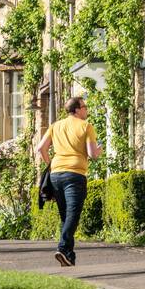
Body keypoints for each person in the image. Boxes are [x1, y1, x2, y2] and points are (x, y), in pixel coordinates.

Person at [37, 96, 101, 267]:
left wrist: (50, 164)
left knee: (65, 215)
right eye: (84, 107)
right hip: (75, 174)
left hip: (56, 174)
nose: (86, 109)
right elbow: (93, 154)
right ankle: (63, 247)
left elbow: (41, 148)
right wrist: (99, 150)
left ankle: (69, 256)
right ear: (77, 110)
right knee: (73, 213)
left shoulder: (55, 126)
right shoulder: (86, 126)